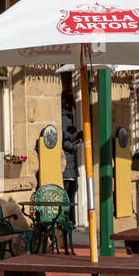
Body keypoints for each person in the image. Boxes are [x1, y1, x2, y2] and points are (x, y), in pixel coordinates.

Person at [61, 89, 81, 222]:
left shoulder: (69, 117)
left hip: (72, 165)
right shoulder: (64, 117)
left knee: (72, 194)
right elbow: (63, 140)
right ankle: (67, 222)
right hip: (67, 164)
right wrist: (75, 146)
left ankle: (71, 222)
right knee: (68, 195)